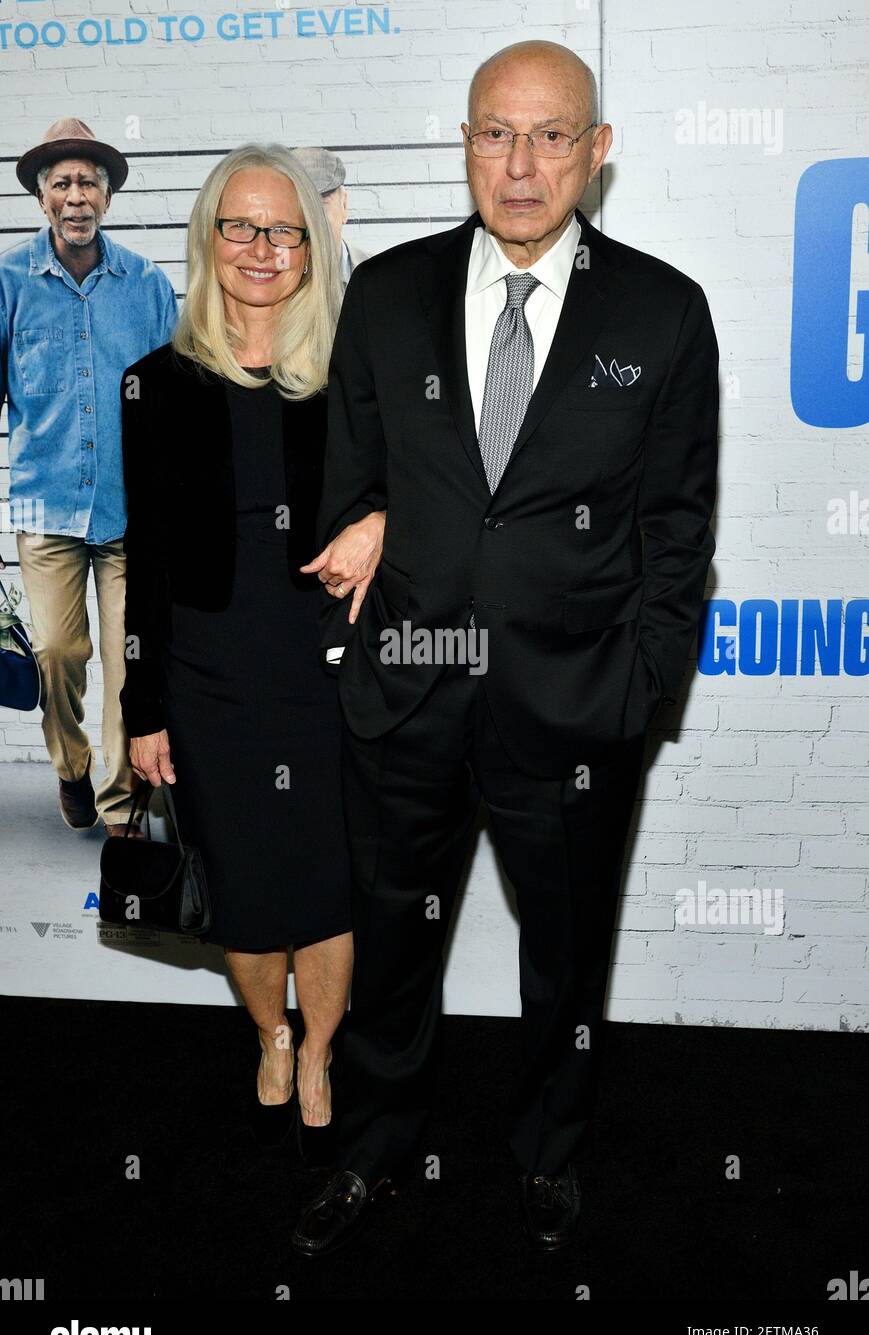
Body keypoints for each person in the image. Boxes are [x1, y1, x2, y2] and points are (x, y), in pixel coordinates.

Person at [293, 39, 719, 1255]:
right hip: (406, 696)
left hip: (575, 708)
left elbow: (675, 529)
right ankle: (370, 1152)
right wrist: (357, 556)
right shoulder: (384, 296)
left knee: (564, 965)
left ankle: (548, 1153)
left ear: (596, 151)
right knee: (390, 953)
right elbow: (344, 485)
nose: (519, 165)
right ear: (463, 144)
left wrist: (639, 694)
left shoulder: (662, 310)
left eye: (548, 136)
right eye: (493, 132)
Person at [118, 144, 385, 1140]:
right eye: (239, 225)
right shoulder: (155, 384)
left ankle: (318, 1050)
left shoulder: (352, 376)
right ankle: (269, 1032)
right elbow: (143, 555)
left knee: (321, 881)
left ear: (312, 247)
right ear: (207, 238)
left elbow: (422, 491)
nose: (260, 248)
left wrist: (385, 521)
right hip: (206, 676)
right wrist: (140, 712)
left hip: (326, 667)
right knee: (238, 879)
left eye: (283, 230)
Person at [0, 118, 178, 835]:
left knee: (130, 668)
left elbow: (176, 402)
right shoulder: (9, 281)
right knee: (56, 653)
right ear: (42, 199)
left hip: (130, 512)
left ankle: (118, 802)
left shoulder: (147, 284)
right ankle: (71, 767)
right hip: (45, 510)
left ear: (107, 196)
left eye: (89, 182)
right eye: (63, 183)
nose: (77, 196)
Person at [289, 148, 371, 286]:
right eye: (298, 207)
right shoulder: (269, 282)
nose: (310, 220)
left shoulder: (381, 276)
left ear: (343, 205)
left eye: (321, 204)